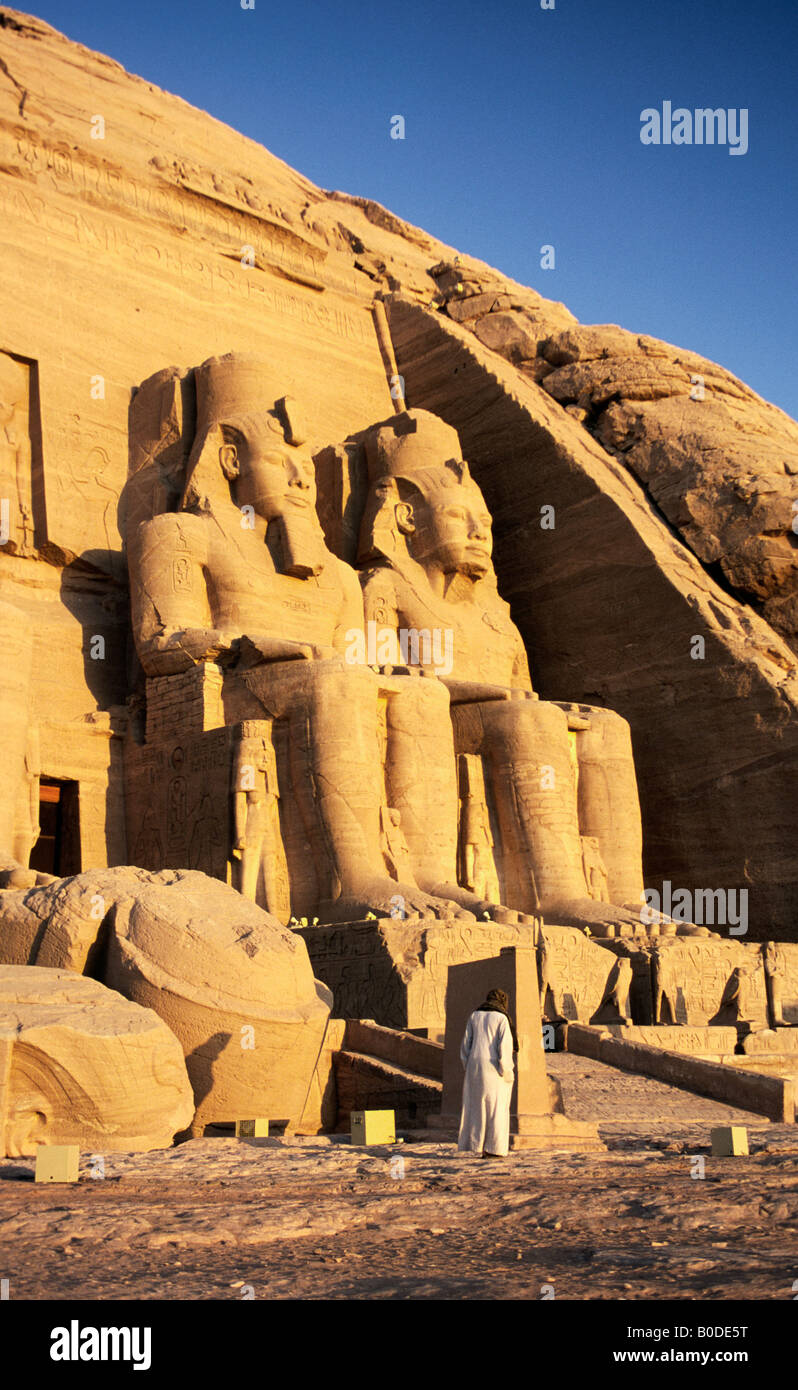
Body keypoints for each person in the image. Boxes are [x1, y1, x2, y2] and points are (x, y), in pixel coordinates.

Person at [457, 988, 517, 1158]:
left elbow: (465, 1046)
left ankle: (475, 1146)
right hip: (493, 1067)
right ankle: (494, 1148)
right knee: (497, 1108)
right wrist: (506, 1070)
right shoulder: (501, 1018)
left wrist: (468, 1066)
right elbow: (504, 1047)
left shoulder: (474, 1015)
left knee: (476, 1108)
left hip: (474, 1066)